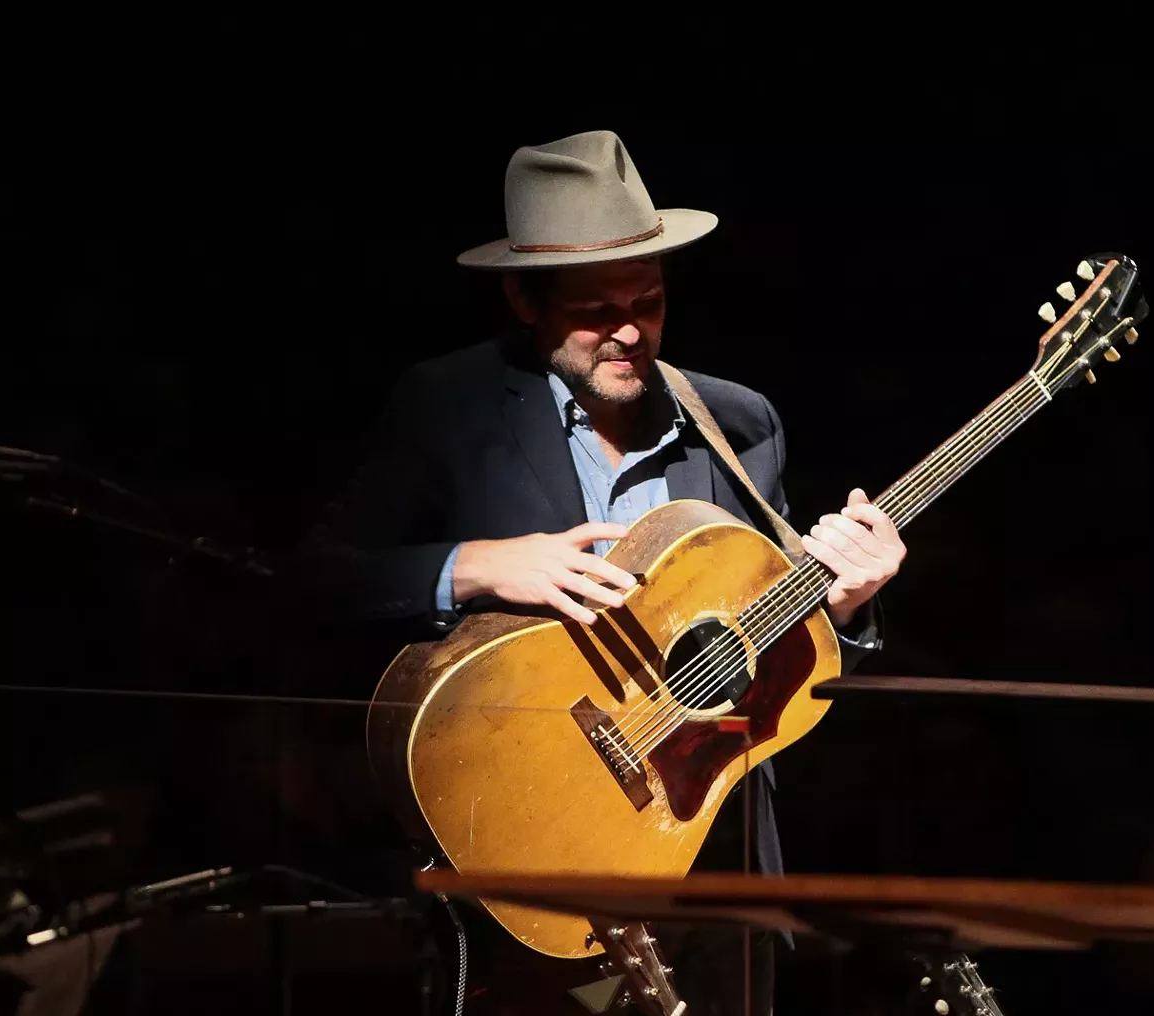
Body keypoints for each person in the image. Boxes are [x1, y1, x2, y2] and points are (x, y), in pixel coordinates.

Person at [304, 130, 906, 1014]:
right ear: (522, 297)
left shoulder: (738, 425)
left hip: (711, 858)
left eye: (649, 302)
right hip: (536, 854)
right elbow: (315, 582)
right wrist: (480, 567)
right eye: (593, 309)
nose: (629, 330)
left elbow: (761, 669)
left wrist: (846, 610)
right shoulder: (448, 406)